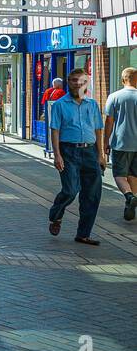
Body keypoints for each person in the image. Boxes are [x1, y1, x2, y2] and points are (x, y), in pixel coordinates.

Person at [48, 68, 106, 245]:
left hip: (90, 152)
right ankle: (56, 214)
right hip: (68, 151)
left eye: (81, 81)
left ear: (85, 83)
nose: (77, 84)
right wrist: (57, 154)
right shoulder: (59, 105)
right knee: (71, 190)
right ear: (68, 82)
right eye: (73, 80)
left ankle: (83, 234)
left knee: (92, 194)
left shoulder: (92, 104)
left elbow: (98, 129)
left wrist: (101, 154)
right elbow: (55, 130)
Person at [103, 66, 137, 222]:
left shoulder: (115, 96)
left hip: (120, 143)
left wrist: (105, 141)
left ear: (123, 79)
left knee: (119, 174)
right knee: (133, 174)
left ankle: (129, 196)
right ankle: (131, 202)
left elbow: (109, 121)